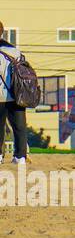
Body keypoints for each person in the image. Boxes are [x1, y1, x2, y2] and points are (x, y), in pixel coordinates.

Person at [0, 23, 29, 164]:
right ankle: (20, 156)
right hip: (17, 94)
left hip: (0, 96)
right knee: (19, 127)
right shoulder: (15, 51)